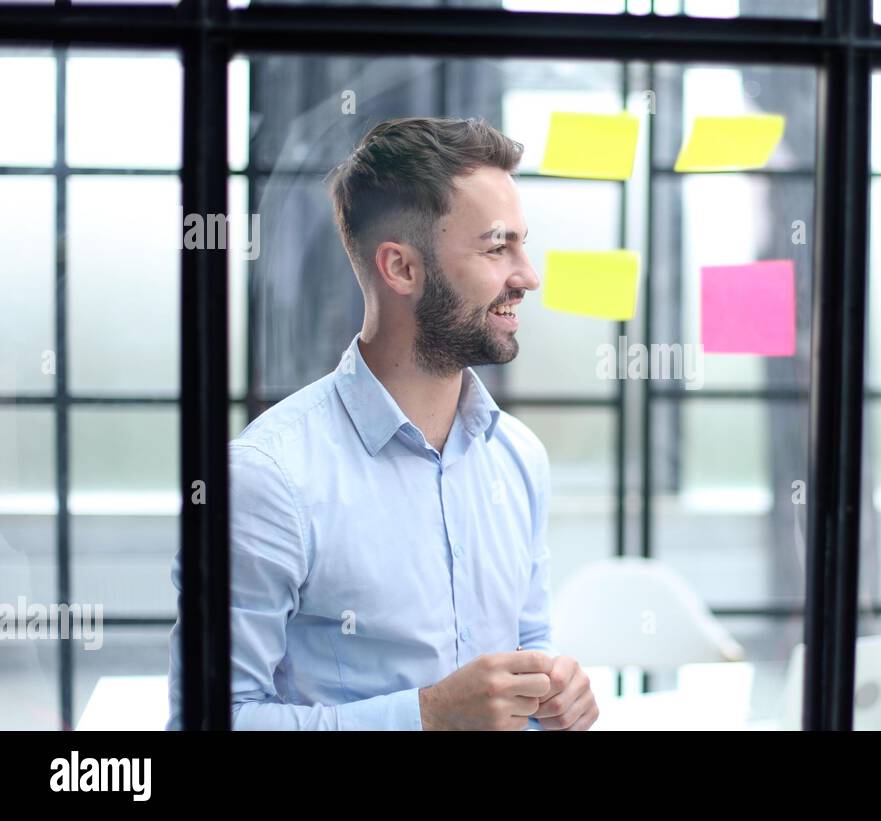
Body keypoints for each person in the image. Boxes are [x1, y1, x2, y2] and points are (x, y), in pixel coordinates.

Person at [166, 117, 598, 730]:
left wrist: (556, 689)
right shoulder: (265, 481)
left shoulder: (518, 456)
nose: (528, 275)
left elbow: (530, 639)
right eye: (497, 246)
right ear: (400, 269)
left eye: (523, 244)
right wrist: (425, 717)